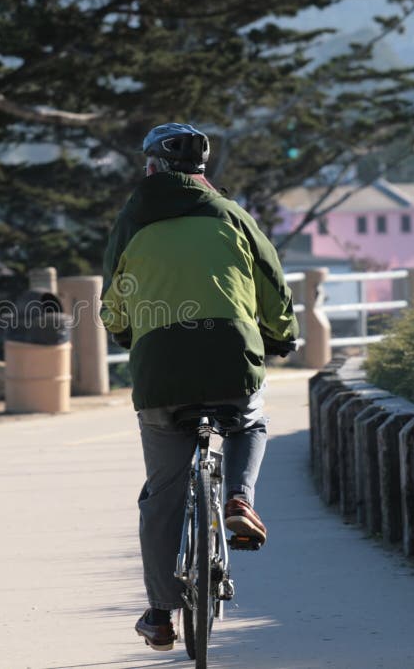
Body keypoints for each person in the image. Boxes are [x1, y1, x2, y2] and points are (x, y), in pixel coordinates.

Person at [100, 122, 298, 651]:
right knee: (250, 416)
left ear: (150, 167)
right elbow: (272, 285)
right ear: (202, 170)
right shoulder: (233, 216)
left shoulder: (131, 219)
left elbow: (113, 296)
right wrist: (282, 336)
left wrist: (124, 331)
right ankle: (239, 499)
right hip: (231, 355)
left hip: (160, 367)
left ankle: (161, 614)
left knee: (163, 494)